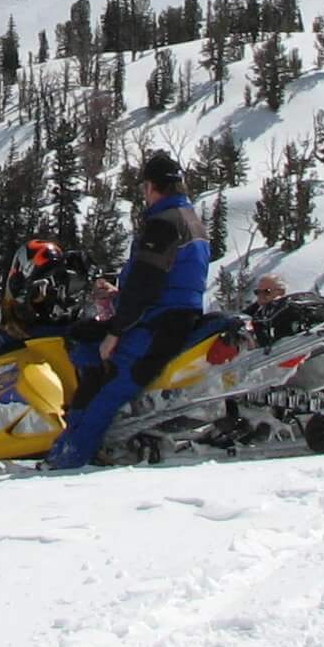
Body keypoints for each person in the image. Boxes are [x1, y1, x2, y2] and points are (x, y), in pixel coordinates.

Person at [42, 150, 209, 470]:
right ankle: (98, 435)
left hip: (157, 321)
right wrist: (118, 296)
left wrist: (116, 331)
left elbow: (145, 285)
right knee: (85, 342)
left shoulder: (164, 223)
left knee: (110, 382)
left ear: (151, 187)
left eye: (145, 187)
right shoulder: (191, 221)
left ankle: (71, 455)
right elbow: (166, 279)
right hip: (176, 316)